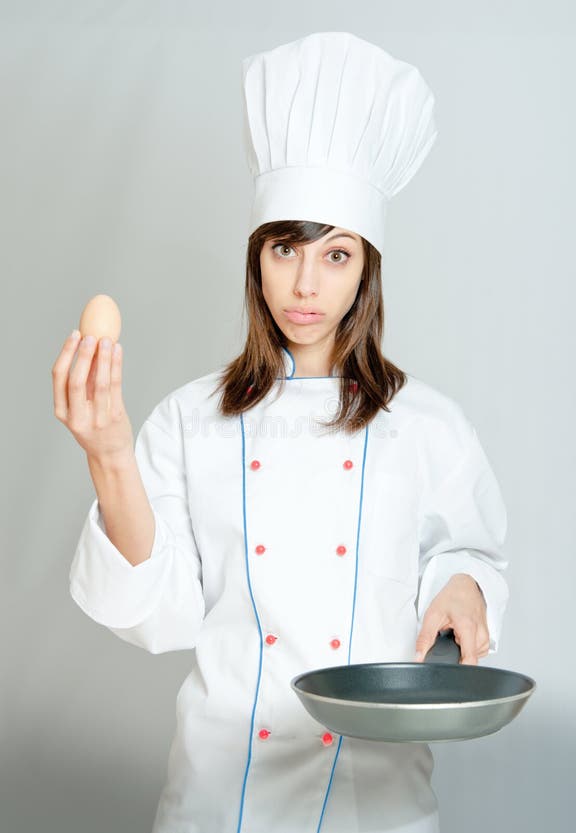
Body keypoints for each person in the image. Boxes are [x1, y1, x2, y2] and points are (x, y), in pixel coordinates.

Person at [54, 32, 509, 833]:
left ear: (367, 267)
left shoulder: (428, 424)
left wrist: (464, 586)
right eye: (285, 249)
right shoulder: (191, 419)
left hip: (380, 801)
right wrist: (108, 454)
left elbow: (466, 552)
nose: (306, 284)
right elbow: (157, 611)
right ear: (256, 257)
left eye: (335, 255)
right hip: (221, 796)